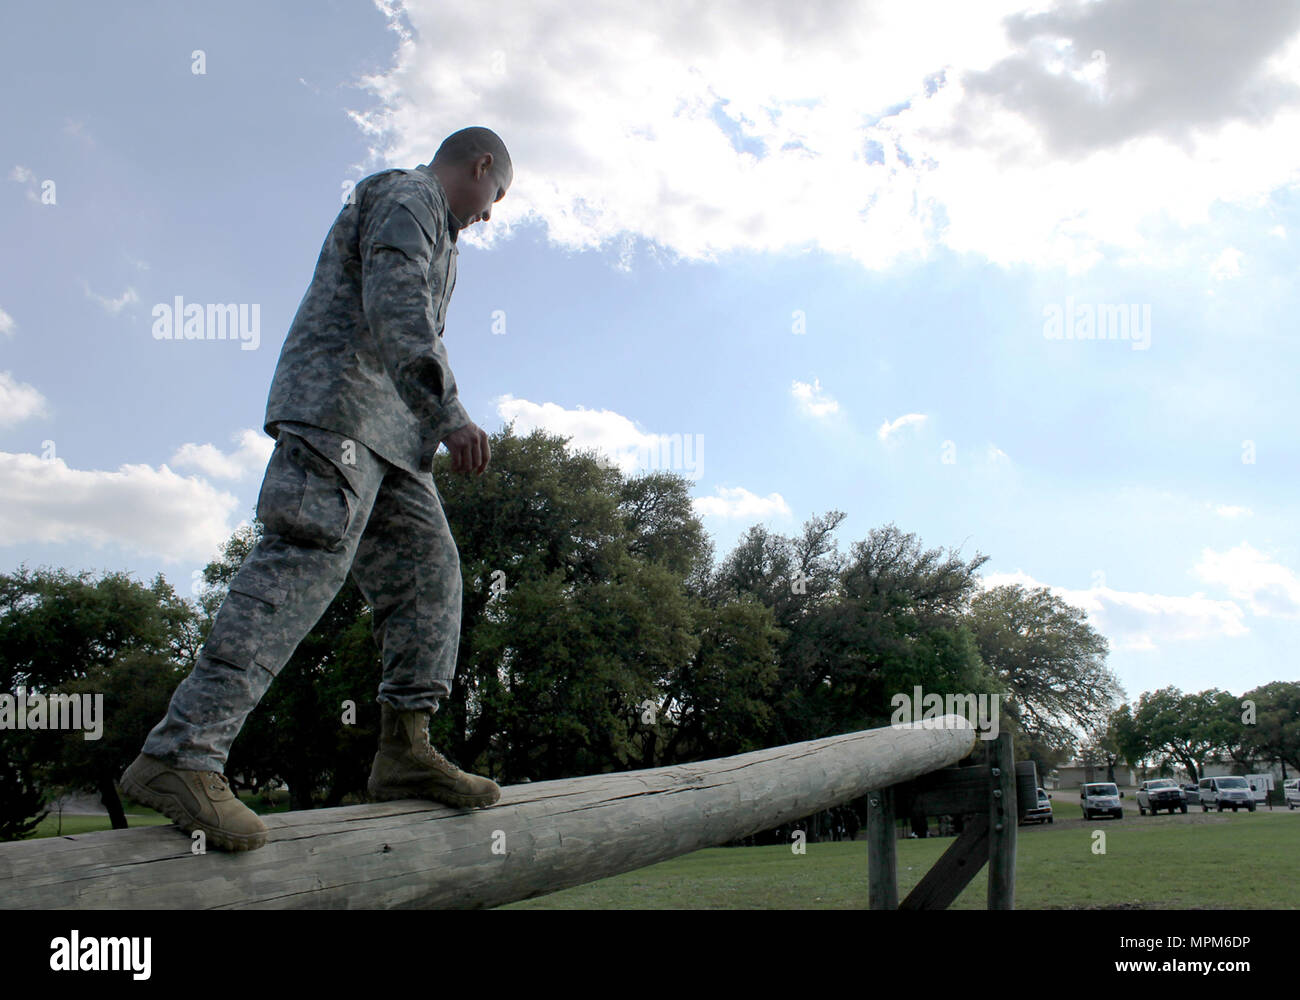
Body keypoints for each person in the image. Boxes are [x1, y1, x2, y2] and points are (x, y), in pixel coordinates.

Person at [120, 127, 513, 851]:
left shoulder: (444, 236)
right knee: (299, 568)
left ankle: (403, 749)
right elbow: (396, 302)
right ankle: (181, 752)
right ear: (480, 165)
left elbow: (423, 324)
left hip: (396, 441)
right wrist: (449, 412)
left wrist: (428, 421)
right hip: (338, 411)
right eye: (496, 196)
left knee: (432, 577)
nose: (489, 215)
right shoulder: (410, 195)